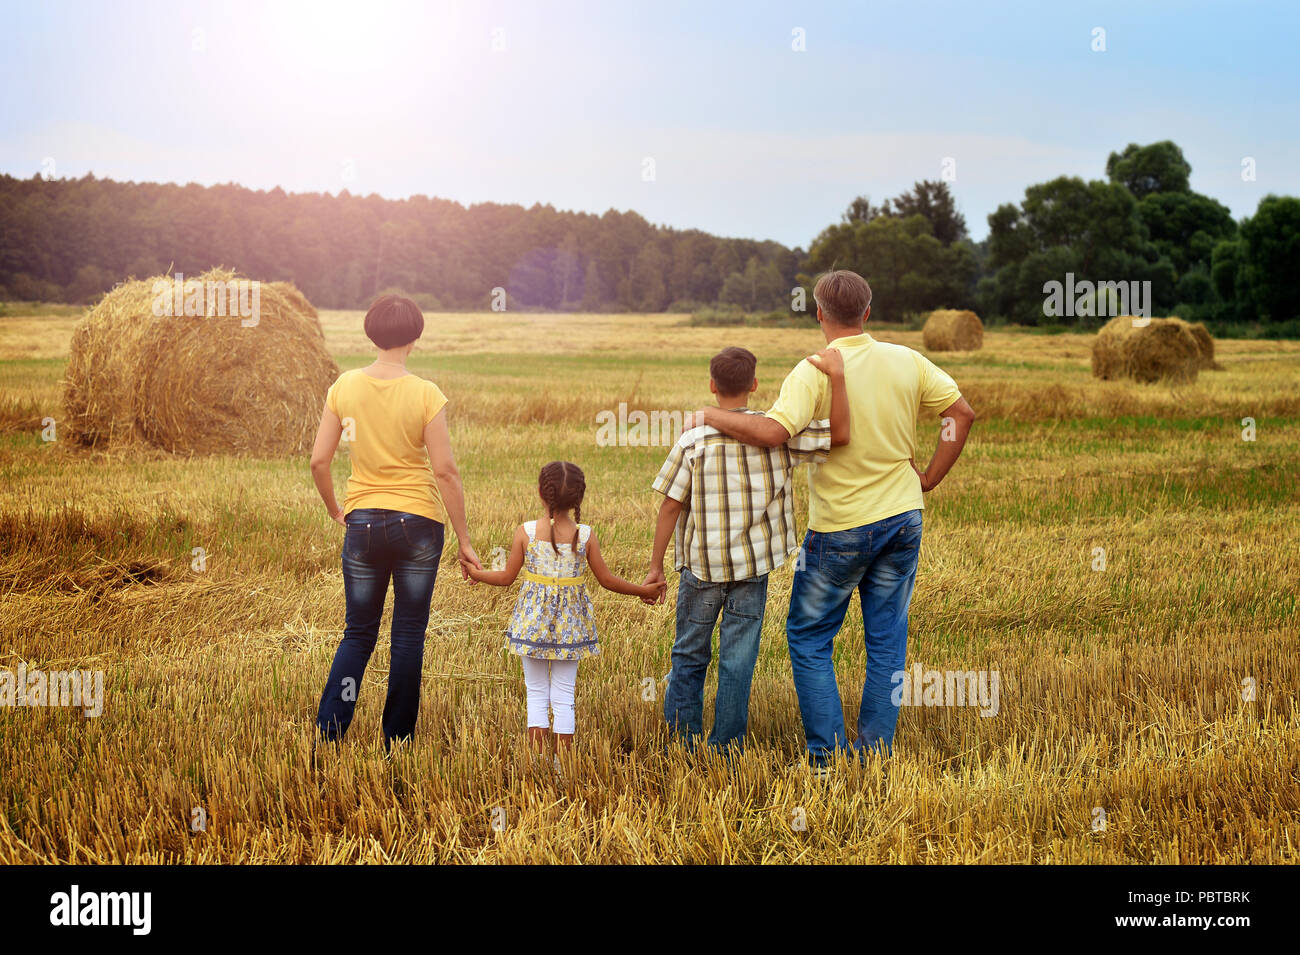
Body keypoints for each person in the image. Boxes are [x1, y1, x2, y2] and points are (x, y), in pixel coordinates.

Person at [693, 270, 976, 769]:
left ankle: (828, 758)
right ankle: (873, 754)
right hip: (904, 516)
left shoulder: (814, 369)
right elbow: (961, 414)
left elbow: (773, 432)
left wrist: (712, 416)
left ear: (819, 313)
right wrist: (929, 476)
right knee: (886, 640)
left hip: (841, 527)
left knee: (808, 637)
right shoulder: (907, 359)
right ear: (868, 312)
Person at [648, 346, 848, 754]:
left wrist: (655, 566)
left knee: (688, 654)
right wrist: (839, 380)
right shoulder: (777, 434)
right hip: (751, 571)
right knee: (737, 662)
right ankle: (727, 746)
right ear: (754, 386)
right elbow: (839, 435)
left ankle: (681, 744)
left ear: (711, 386)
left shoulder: (693, 441)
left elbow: (670, 504)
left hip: (702, 569)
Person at [310, 294, 481, 751]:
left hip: (362, 521)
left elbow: (318, 461)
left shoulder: (343, 387)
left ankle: (329, 733)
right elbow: (445, 470)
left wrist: (335, 508)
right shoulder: (425, 393)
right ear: (415, 336)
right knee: (408, 634)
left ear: (371, 333)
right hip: (419, 523)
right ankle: (397, 742)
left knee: (358, 632)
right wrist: (464, 539)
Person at [466, 461, 665, 757]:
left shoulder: (526, 532)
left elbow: (506, 578)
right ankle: (562, 771)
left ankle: (535, 765)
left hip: (531, 624)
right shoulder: (585, 535)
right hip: (571, 627)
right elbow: (607, 580)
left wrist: (476, 573)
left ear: (540, 493)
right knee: (563, 696)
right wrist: (642, 591)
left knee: (535, 694)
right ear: (578, 498)